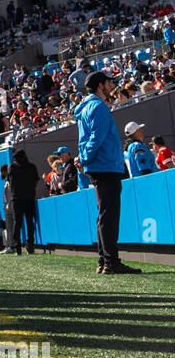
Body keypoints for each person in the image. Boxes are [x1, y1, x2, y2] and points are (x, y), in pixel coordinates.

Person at [74, 70, 139, 275]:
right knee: (109, 216)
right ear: (100, 85)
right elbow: (96, 137)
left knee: (104, 215)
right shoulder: (97, 106)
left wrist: (85, 158)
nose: (112, 85)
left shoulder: (87, 107)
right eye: (109, 82)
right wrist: (86, 157)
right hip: (105, 166)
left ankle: (104, 261)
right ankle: (111, 262)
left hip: (100, 166)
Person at [8, 150, 40, 255]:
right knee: (29, 222)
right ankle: (30, 246)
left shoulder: (12, 167)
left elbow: (8, 181)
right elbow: (36, 181)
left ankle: (17, 247)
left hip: (16, 199)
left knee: (18, 223)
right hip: (29, 198)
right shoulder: (32, 166)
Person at [0, 164, 16, 253]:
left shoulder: (9, 180)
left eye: (0, 172)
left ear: (4, 171)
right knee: (8, 227)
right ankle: (9, 246)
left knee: (11, 226)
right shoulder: (7, 180)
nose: (0, 174)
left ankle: (12, 246)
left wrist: (9, 204)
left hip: (11, 205)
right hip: (8, 205)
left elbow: (10, 194)